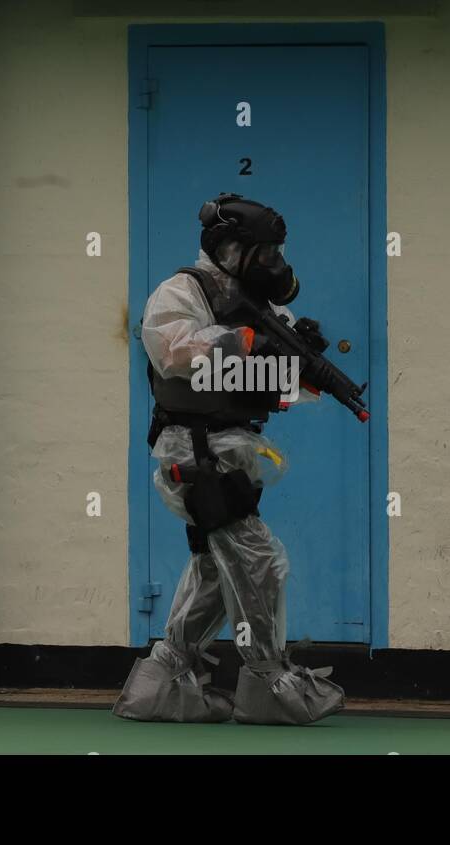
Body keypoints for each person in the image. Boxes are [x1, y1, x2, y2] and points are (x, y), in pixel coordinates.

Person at [112, 193, 346, 725]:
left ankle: (164, 681)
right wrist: (245, 341)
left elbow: (273, 387)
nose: (274, 265)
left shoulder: (261, 304)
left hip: (231, 448)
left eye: (275, 253)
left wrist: (297, 359)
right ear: (230, 248)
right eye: (262, 253)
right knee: (260, 562)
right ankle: (269, 683)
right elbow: (172, 351)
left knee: (218, 570)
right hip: (193, 450)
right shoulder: (182, 291)